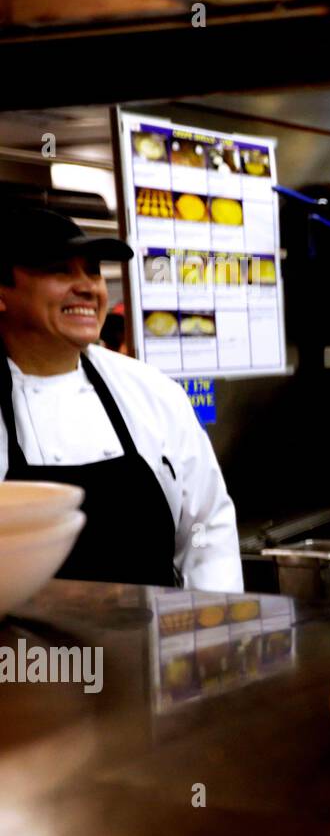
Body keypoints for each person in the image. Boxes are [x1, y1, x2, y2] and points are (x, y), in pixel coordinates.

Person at [0, 207, 243, 592]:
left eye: (93, 271)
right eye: (61, 269)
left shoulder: (151, 392)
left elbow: (205, 525)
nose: (88, 288)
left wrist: (210, 624)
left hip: (152, 646)